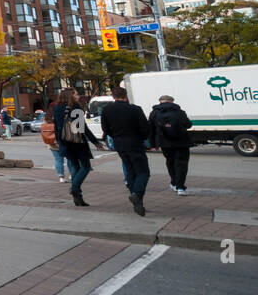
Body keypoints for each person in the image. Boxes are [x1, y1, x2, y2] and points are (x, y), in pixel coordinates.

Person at [100, 87, 152, 216]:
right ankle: (137, 195)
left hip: (119, 142)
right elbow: (145, 128)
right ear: (126, 96)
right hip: (134, 141)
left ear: (113, 96)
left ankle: (135, 197)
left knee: (130, 170)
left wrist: (115, 135)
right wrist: (142, 137)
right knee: (143, 172)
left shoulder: (107, 110)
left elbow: (105, 128)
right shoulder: (135, 109)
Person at [53, 89, 103, 206]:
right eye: (76, 93)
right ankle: (74, 188)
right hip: (77, 141)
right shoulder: (75, 107)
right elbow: (82, 128)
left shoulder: (57, 108)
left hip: (65, 142)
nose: (78, 96)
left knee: (75, 167)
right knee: (85, 167)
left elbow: (56, 127)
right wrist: (95, 142)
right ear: (71, 95)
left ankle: (78, 197)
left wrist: (59, 141)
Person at [149, 94, 193, 195]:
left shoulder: (154, 113)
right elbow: (188, 124)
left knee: (170, 162)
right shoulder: (180, 112)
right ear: (172, 101)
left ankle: (174, 182)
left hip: (164, 142)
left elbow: (151, 129)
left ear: (160, 101)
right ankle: (180, 187)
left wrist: (153, 144)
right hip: (181, 142)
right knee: (181, 164)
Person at [42, 99, 67, 183]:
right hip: (63, 140)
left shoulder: (46, 118)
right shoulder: (60, 115)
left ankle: (61, 177)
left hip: (51, 141)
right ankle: (73, 175)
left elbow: (43, 131)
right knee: (70, 159)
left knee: (58, 159)